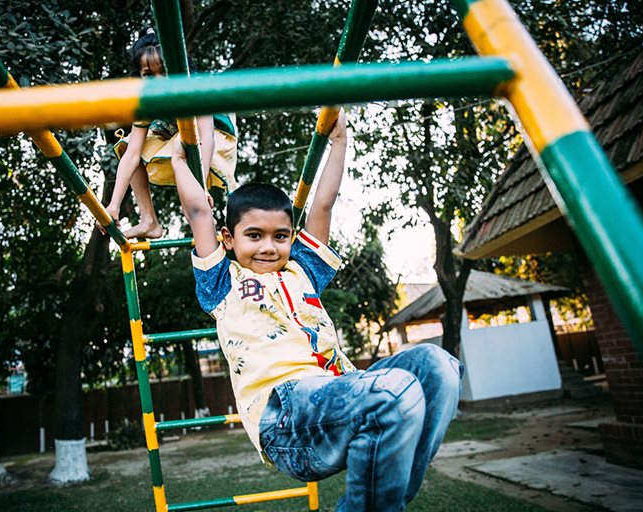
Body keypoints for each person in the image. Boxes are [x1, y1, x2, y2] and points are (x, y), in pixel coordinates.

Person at [173, 109, 462, 511]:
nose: (268, 247)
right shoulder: (222, 282)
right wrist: (178, 159)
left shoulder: (302, 272)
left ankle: (384, 499)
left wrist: (339, 142)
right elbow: (198, 211)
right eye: (254, 236)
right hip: (286, 417)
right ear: (228, 238)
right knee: (395, 392)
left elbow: (323, 204)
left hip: (341, 390)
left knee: (439, 368)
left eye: (280, 236)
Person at [100, 28, 238, 239]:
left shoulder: (194, 87)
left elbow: (206, 137)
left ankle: (198, 218)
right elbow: (132, 155)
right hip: (174, 134)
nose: (158, 81)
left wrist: (199, 189)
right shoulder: (147, 100)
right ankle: (149, 221)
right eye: (148, 74)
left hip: (214, 136)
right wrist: (114, 205)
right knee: (128, 145)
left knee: (182, 146)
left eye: (164, 71)